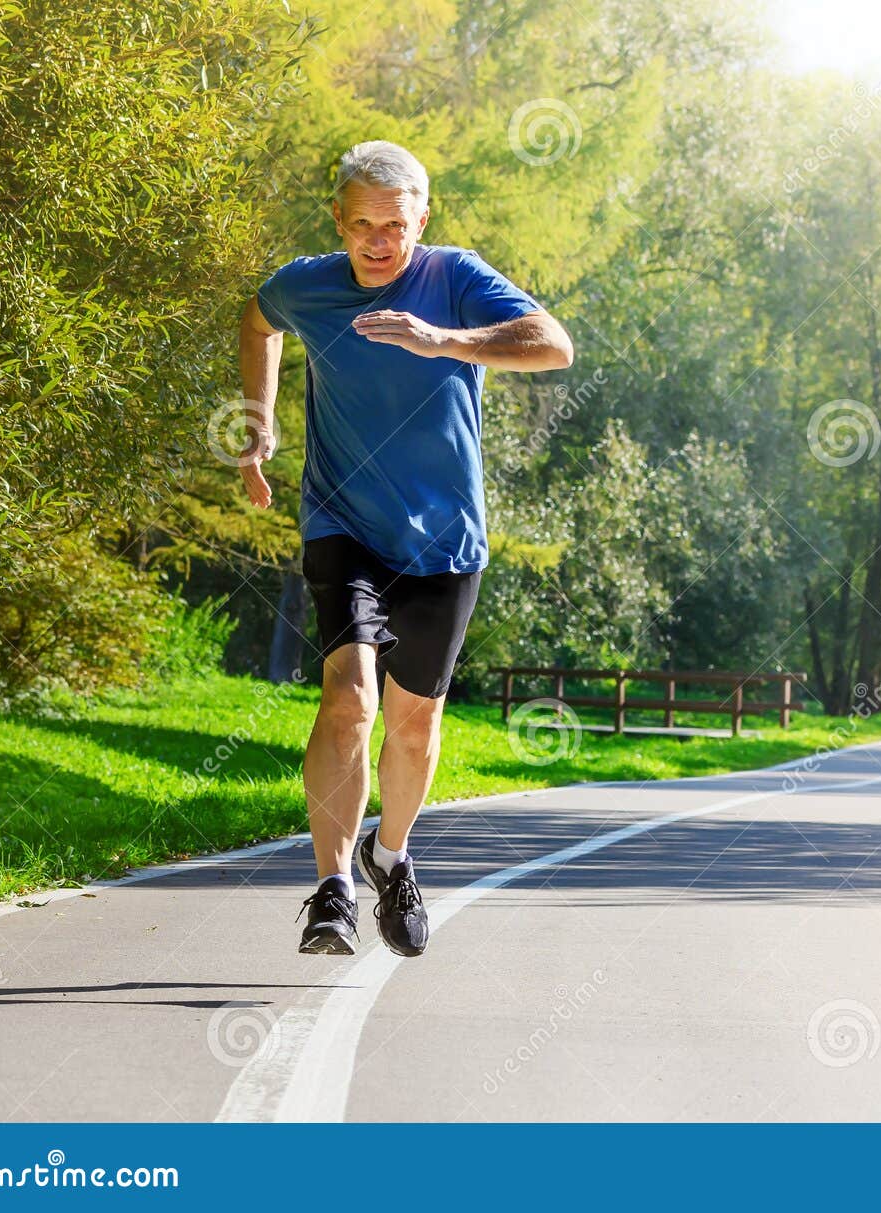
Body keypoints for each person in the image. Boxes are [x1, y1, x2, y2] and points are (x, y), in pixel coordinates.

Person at [236, 140, 573, 955]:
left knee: (415, 725)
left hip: (445, 540)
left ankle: (389, 856)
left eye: (395, 224)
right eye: (363, 226)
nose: (380, 241)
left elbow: (554, 343)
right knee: (350, 695)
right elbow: (257, 320)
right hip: (342, 524)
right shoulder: (307, 286)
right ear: (339, 223)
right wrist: (259, 418)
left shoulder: (455, 278)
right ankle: (331, 891)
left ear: (423, 216)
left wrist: (442, 339)